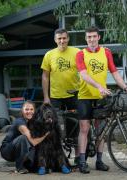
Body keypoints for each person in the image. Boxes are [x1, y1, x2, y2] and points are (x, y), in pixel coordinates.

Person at [76, 26, 127, 174]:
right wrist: (98, 86)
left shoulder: (106, 52)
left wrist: (125, 88)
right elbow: (83, 74)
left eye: (94, 36)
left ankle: (99, 161)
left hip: (101, 97)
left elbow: (115, 72)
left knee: (101, 129)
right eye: (88, 37)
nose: (91, 39)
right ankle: (82, 162)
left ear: (98, 37)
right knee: (84, 129)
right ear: (86, 39)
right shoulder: (80, 54)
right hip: (85, 96)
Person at [41, 28, 80, 164]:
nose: (62, 41)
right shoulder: (49, 55)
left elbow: (84, 72)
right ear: (55, 40)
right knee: (55, 127)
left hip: (74, 94)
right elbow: (45, 76)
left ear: (68, 38)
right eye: (59, 39)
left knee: (77, 126)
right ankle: (59, 159)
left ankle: (79, 159)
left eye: (64, 38)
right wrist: (46, 97)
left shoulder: (77, 52)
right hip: (55, 96)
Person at [0, 101, 49, 174]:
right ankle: (20, 167)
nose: (29, 111)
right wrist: (46, 134)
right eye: (26, 109)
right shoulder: (20, 122)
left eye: (31, 109)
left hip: (21, 148)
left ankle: (33, 166)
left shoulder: (34, 122)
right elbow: (33, 141)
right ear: (22, 111)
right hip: (7, 150)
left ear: (35, 111)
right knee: (24, 138)